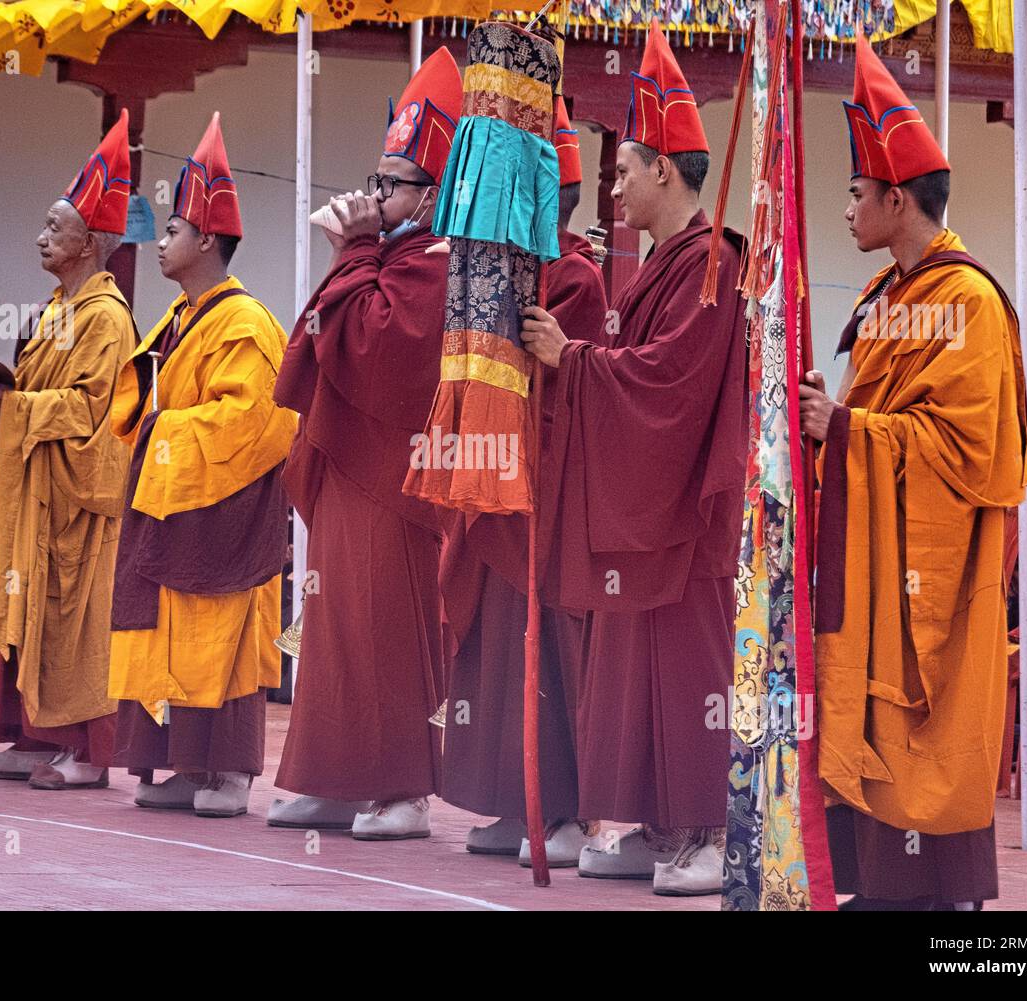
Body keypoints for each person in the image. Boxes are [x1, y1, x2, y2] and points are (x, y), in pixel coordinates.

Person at [798, 36, 1027, 910]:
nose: (848, 207)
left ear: (897, 197)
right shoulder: (880, 299)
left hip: (935, 566)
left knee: (925, 720)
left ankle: (939, 896)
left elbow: (970, 450)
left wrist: (851, 427)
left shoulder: (965, 298)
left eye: (857, 193)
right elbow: (864, 408)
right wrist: (832, 416)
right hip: (867, 550)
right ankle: (879, 883)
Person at [519, 23, 748, 895]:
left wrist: (571, 361)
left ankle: (705, 829)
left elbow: (669, 385)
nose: (611, 187)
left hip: (686, 513)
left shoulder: (711, 265)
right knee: (632, 668)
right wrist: (571, 365)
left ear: (663, 168)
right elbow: (637, 374)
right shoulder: (657, 267)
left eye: (622, 170)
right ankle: (659, 826)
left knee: (686, 668)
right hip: (641, 506)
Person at [269, 48, 462, 840]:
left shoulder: (439, 262)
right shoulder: (384, 253)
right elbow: (317, 334)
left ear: (432, 194)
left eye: (391, 183)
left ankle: (402, 789)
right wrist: (351, 254)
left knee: (382, 624)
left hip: (396, 475)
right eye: (377, 178)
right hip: (348, 470)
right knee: (334, 623)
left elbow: (381, 349)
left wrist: (352, 253)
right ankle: (335, 776)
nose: (374, 194)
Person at [0, 114, 138, 791]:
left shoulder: (107, 318)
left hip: (74, 502)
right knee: (24, 608)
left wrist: (7, 404)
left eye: (55, 229)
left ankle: (85, 751)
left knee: (72, 621)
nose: (41, 238)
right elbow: (32, 392)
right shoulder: (58, 310)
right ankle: (27, 737)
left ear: (90, 242)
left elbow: (93, 410)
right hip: (34, 497)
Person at [108, 114, 296, 818]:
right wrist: (154, 428)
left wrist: (163, 430)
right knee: (167, 635)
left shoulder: (244, 321)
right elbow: (134, 397)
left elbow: (255, 421)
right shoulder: (181, 318)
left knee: (223, 635)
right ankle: (184, 764)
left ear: (207, 239)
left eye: (172, 232)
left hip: (224, 511)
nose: (160, 242)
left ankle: (230, 771)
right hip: (170, 504)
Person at [438, 94, 609, 866]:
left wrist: (552, 355)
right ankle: (512, 802)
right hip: (489, 483)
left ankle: (564, 807)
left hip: (544, 489)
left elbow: (578, 394)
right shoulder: (490, 272)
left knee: (551, 658)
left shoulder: (574, 280)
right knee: (500, 654)